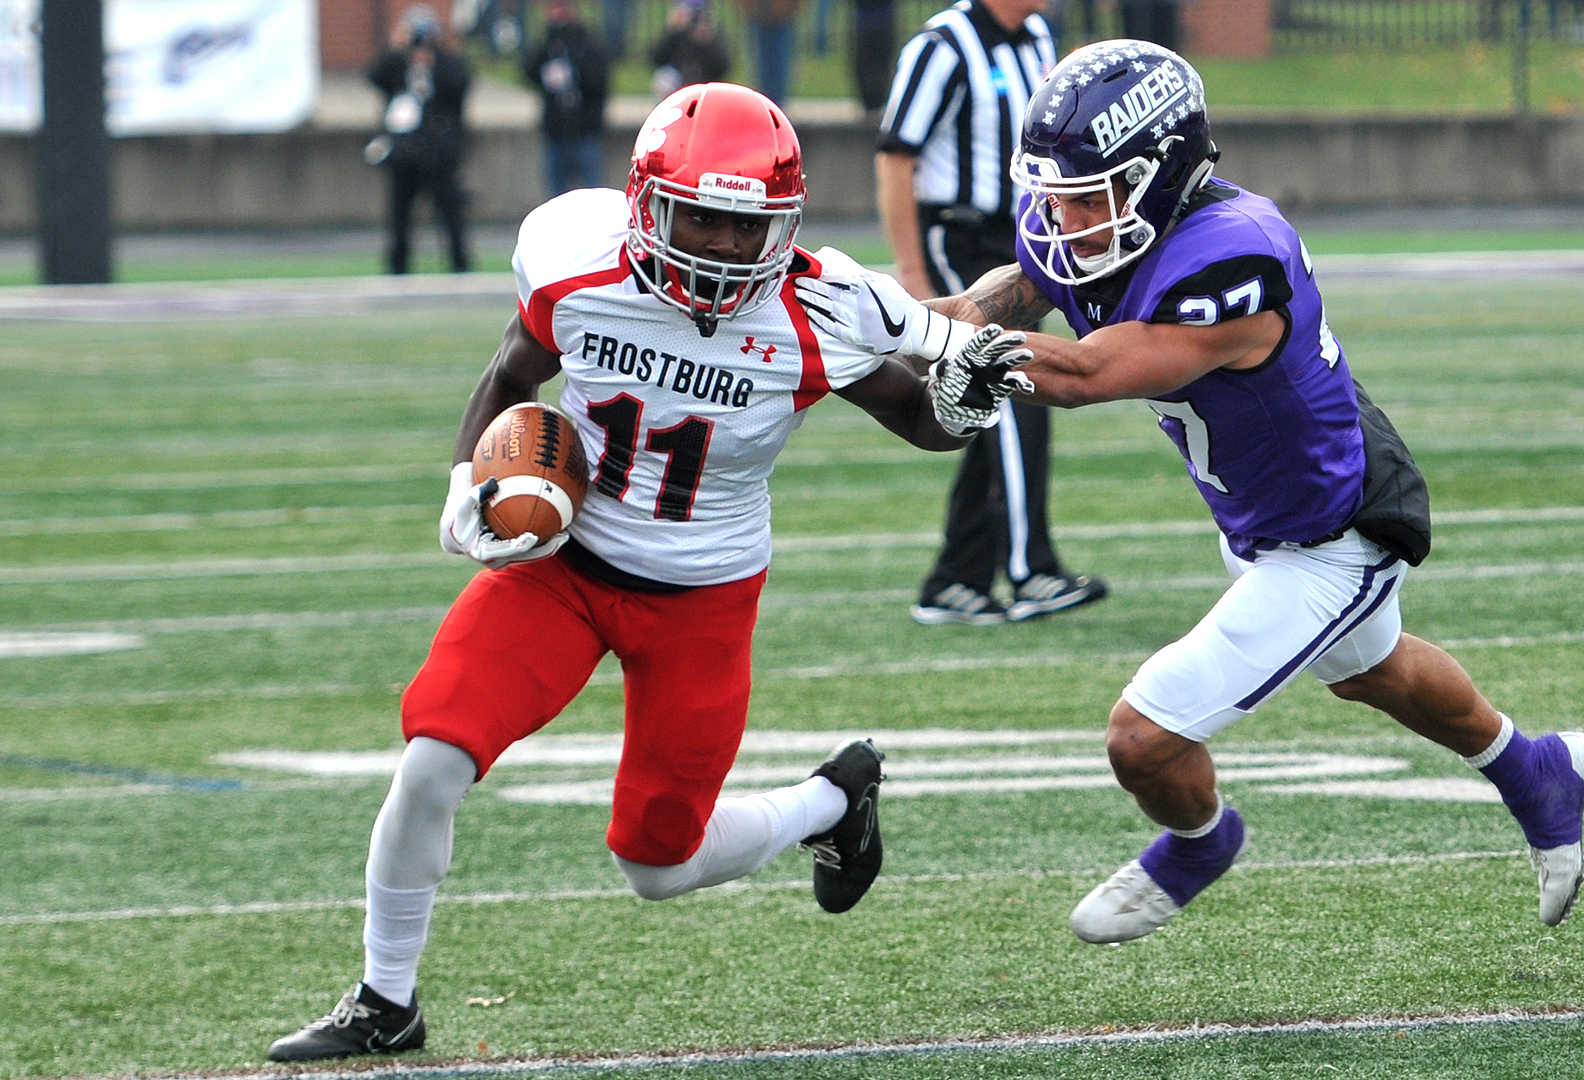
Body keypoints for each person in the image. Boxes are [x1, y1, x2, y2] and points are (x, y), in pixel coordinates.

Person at [265, 82, 1032, 1062]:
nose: (715, 245)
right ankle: (386, 999)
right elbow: (512, 373)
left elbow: (919, 413)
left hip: (702, 601)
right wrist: (468, 482)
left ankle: (834, 802)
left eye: (738, 225)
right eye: (695, 218)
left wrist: (962, 410)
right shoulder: (579, 267)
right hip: (564, 568)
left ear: (782, 228)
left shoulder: (821, 308)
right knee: (432, 759)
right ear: (644, 204)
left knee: (657, 867)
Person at [802, 42, 1584, 944]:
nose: (1060, 215)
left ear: (1161, 172)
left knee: (1143, 738)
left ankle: (1199, 841)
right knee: (1373, 672)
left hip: (1335, 531)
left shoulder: (1235, 258)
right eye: (1054, 191)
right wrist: (862, 310)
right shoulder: (1094, 223)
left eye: (1085, 193)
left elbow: (1087, 372)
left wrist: (913, 331)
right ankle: (1535, 770)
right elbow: (1002, 301)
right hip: (1265, 512)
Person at [876, 0, 1107, 626]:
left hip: (1019, 240)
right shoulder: (943, 44)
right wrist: (912, 271)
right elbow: (896, 156)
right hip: (956, 236)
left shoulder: (1036, 36)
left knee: (999, 398)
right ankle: (1031, 571)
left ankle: (956, 576)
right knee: (1010, 381)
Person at [368, 5, 472, 275]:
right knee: (400, 211)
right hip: (404, 149)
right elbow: (374, 78)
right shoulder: (398, 63)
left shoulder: (447, 63)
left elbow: (460, 85)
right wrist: (395, 49)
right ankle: (398, 265)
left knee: (449, 209)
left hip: (439, 149)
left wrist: (435, 61)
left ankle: (459, 263)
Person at [523, 1, 610, 198]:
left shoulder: (587, 41)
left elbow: (599, 79)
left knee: (592, 193)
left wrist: (575, 72)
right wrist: (550, 38)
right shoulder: (548, 42)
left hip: (584, 128)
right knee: (555, 194)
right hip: (556, 129)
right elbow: (529, 70)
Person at [648, 0, 733, 95]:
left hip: (706, 79)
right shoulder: (677, 34)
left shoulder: (711, 32)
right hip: (677, 77)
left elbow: (723, 66)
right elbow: (656, 59)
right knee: (664, 81)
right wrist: (673, 31)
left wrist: (706, 42)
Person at [743, 0, 800, 105]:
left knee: (779, 65)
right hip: (759, 13)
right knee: (761, 66)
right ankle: (764, 102)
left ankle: (776, 104)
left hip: (780, 16)